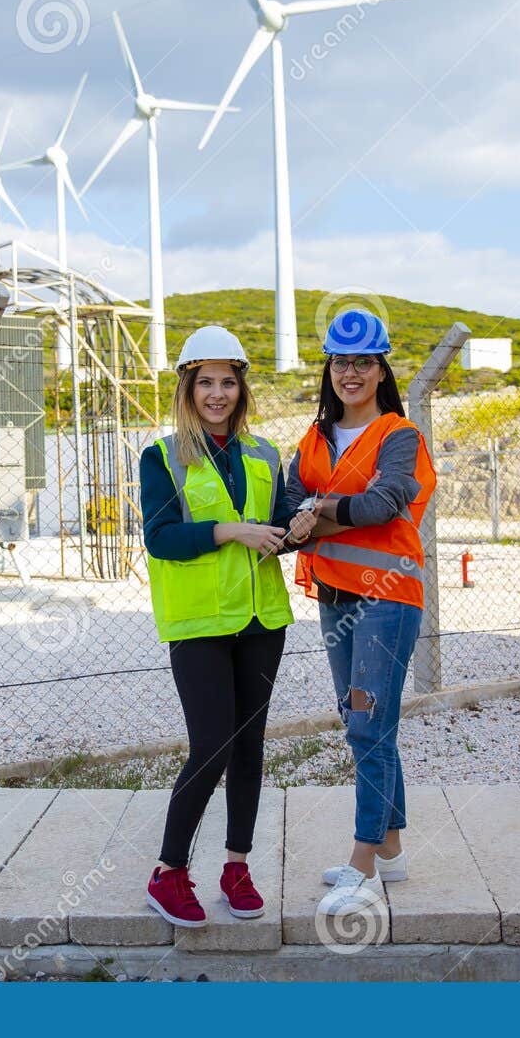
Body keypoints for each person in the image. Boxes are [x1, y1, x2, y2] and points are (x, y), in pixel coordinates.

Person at [140, 325, 297, 928]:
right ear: (187, 387)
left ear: (241, 388)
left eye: (227, 382)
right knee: (212, 744)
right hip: (200, 621)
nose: (217, 393)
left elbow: (276, 525)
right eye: (205, 382)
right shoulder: (161, 456)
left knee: (250, 745)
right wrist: (235, 531)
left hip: (261, 619)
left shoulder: (263, 454)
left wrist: (294, 532)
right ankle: (168, 872)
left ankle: (236, 865)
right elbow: (160, 538)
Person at [284, 310, 437, 918]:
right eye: (342, 362)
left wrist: (318, 509)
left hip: (387, 597)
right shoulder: (316, 437)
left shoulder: (399, 435)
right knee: (360, 721)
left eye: (363, 363)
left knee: (370, 724)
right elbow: (289, 497)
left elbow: (383, 502)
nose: (351, 373)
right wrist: (309, 511)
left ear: (381, 369)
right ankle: (392, 850)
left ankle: (363, 864)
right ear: (330, 367)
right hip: (335, 592)